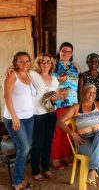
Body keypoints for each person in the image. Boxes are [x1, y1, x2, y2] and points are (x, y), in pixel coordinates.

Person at [56, 84, 99, 190]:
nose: (92, 94)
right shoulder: (76, 108)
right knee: (98, 155)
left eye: (94, 93)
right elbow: (60, 122)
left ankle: (92, 170)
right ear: (83, 92)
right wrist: (72, 133)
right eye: (90, 92)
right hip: (84, 141)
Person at [3, 52, 35, 190]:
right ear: (15, 62)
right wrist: (14, 117)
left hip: (29, 117)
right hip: (15, 118)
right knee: (25, 147)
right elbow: (7, 97)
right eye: (21, 61)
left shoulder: (29, 74)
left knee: (24, 147)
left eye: (27, 61)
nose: (25, 63)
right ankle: (17, 182)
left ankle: (17, 176)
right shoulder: (12, 75)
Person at [51, 42, 81, 170]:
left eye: (69, 52)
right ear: (59, 51)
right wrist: (58, 80)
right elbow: (48, 82)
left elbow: (77, 84)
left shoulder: (75, 66)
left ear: (72, 54)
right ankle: (55, 159)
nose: (66, 54)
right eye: (64, 51)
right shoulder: (53, 65)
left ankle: (66, 157)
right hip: (59, 103)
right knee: (58, 131)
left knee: (69, 131)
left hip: (73, 104)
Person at [30, 53, 60, 181]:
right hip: (37, 114)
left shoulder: (55, 79)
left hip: (51, 113)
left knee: (48, 142)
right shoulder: (32, 75)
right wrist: (10, 70)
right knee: (38, 142)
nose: (46, 64)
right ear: (38, 63)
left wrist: (58, 97)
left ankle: (46, 168)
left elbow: (55, 97)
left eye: (48, 61)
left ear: (51, 64)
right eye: (43, 61)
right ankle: (35, 170)